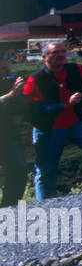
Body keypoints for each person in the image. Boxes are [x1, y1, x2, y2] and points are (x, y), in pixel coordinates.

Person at [24, 42, 82, 198]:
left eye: (63, 52)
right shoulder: (35, 80)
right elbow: (36, 111)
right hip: (49, 128)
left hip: (75, 121)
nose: (61, 55)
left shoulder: (76, 69)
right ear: (44, 57)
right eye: (55, 53)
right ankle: (44, 203)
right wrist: (66, 105)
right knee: (46, 168)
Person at [1, 75, 29, 206]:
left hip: (7, 135)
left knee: (18, 171)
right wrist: (11, 95)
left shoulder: (7, 80)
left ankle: (8, 209)